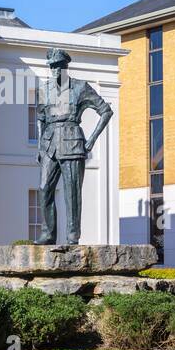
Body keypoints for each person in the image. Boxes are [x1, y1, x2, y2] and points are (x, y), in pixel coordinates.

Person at [34, 47, 112, 244]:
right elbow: (41, 118)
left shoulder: (80, 87)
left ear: (66, 67)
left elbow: (105, 111)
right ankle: (48, 234)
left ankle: (72, 235)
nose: (55, 71)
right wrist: (39, 147)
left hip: (72, 142)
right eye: (52, 67)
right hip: (49, 144)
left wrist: (92, 139)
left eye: (59, 67)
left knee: (72, 192)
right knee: (44, 188)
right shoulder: (43, 89)